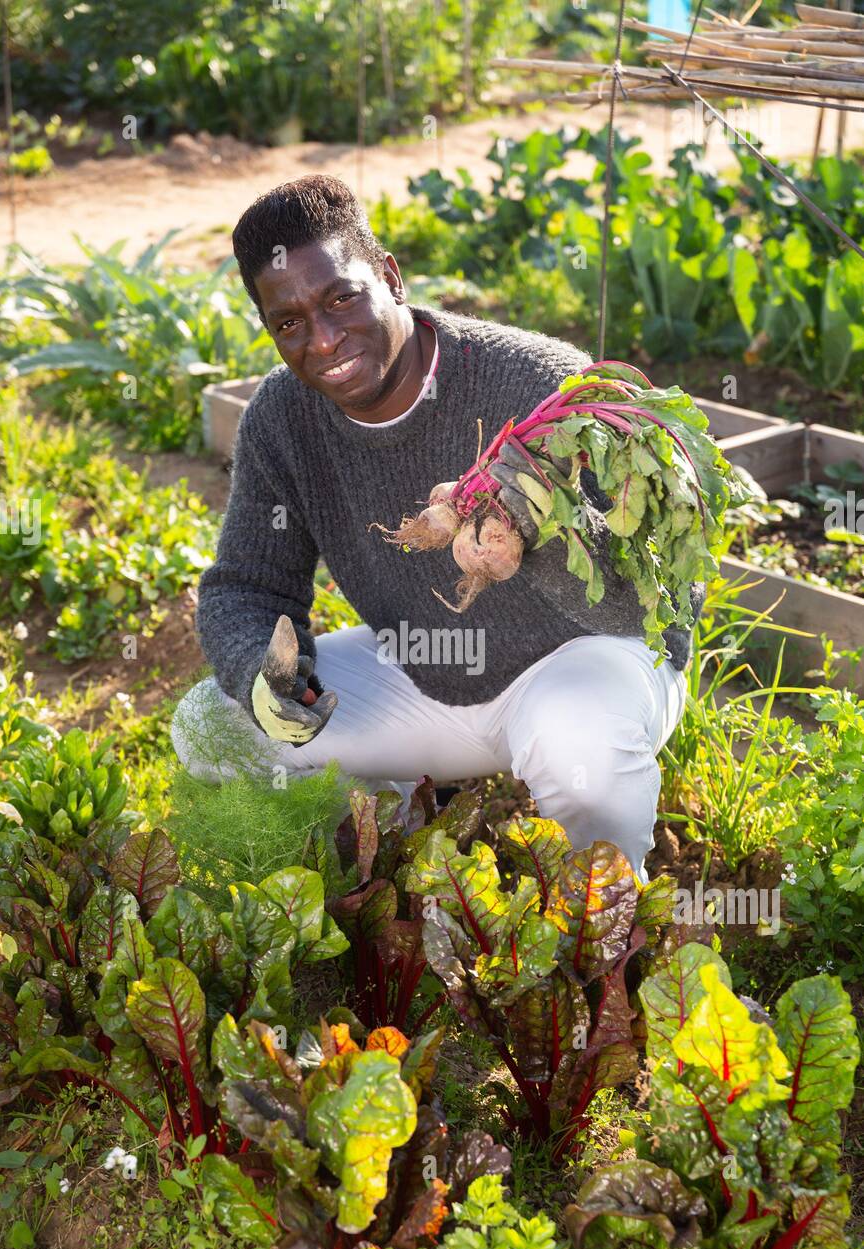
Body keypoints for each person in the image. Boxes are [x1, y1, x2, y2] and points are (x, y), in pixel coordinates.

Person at [171, 174, 700, 880]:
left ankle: (612, 931)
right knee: (212, 722)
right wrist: (267, 675)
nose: (324, 340)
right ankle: (392, 829)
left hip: (581, 664)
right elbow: (246, 586)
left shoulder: (538, 383)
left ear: (390, 277)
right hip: (425, 670)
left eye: (340, 298)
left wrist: (530, 543)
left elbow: (664, 597)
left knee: (583, 755)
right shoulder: (282, 420)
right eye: (290, 323)